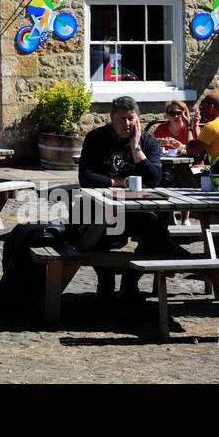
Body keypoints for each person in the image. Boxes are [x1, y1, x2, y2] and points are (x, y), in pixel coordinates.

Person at [77, 96, 172, 302]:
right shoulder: (96, 138)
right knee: (93, 231)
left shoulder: (148, 141)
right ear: (112, 118)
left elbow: (154, 179)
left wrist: (136, 149)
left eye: (131, 118)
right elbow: (86, 177)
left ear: (138, 118)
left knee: (157, 231)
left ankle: (131, 280)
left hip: (137, 209)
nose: (126, 124)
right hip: (101, 207)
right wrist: (120, 182)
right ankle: (106, 280)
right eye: (121, 119)